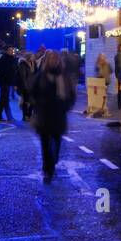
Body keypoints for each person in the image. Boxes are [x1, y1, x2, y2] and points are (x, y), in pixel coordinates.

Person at [31, 50, 73, 182]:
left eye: (56, 59)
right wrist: (37, 105)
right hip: (44, 115)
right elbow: (32, 92)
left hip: (59, 115)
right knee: (45, 144)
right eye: (51, 59)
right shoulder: (41, 76)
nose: (54, 61)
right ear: (47, 61)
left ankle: (52, 162)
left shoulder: (64, 77)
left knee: (57, 142)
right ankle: (47, 169)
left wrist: (66, 106)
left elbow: (71, 95)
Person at [0, 46, 19, 122]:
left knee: (4, 100)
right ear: (6, 51)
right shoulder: (4, 59)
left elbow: (13, 71)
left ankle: (6, 116)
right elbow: (3, 71)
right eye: (10, 50)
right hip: (4, 82)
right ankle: (4, 116)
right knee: (3, 100)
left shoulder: (11, 58)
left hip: (7, 82)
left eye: (12, 50)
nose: (12, 51)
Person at [17, 51, 36, 121]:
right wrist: (25, 86)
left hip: (32, 85)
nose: (33, 57)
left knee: (32, 101)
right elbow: (23, 76)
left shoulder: (33, 63)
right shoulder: (23, 64)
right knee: (25, 101)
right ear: (29, 57)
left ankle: (29, 115)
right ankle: (25, 116)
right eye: (32, 56)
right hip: (26, 86)